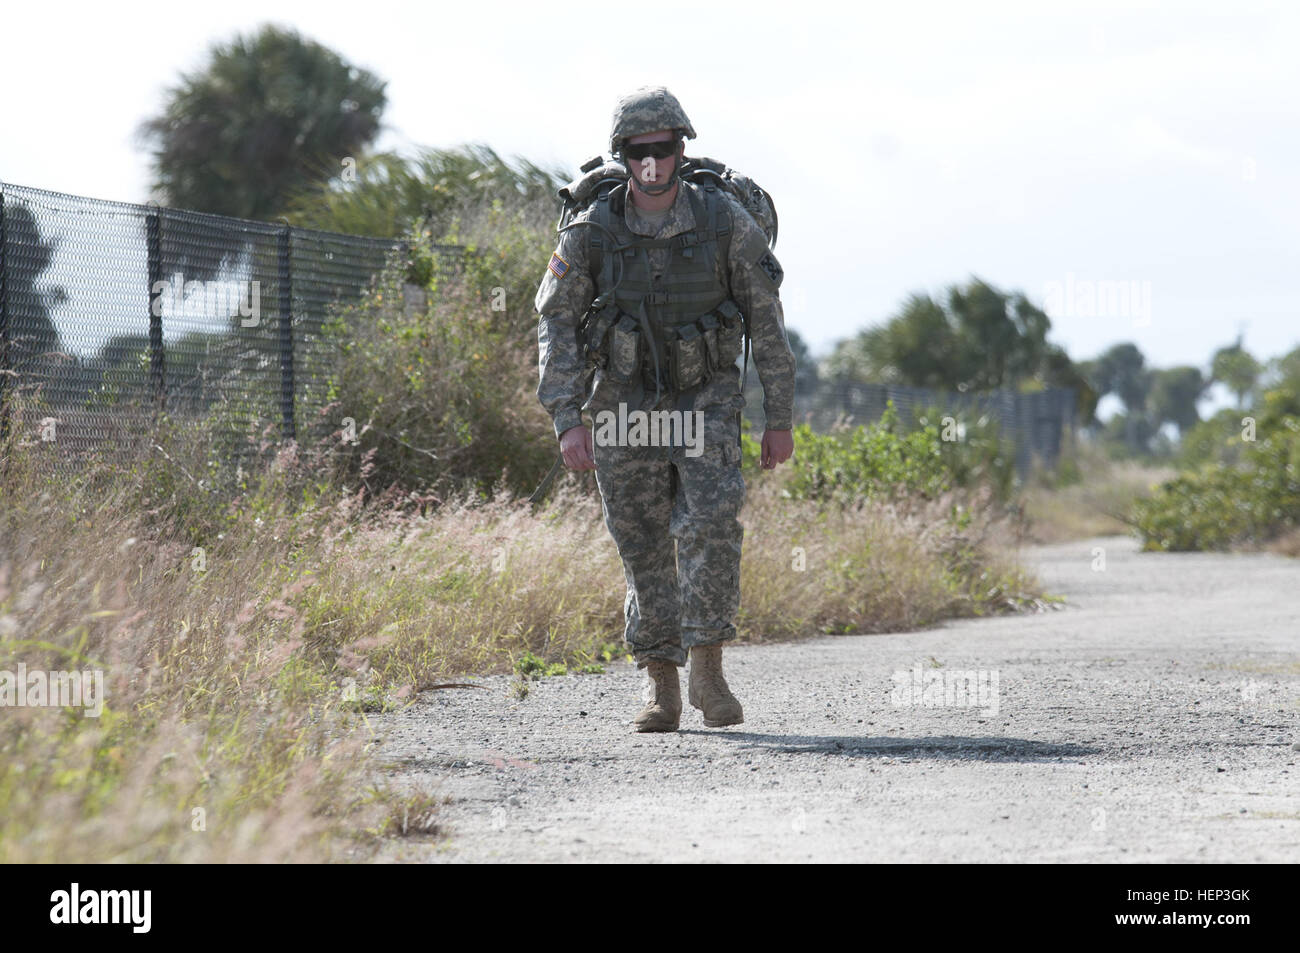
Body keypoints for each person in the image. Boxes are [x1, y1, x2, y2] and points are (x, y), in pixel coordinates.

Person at [534, 86, 795, 732]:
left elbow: (767, 319)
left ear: (682, 150)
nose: (653, 163)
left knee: (711, 522)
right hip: (626, 400)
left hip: (705, 395)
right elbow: (556, 321)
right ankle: (662, 685)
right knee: (643, 539)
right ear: (623, 156)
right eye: (640, 152)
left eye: (665, 149)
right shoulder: (592, 230)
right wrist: (566, 417)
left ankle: (708, 672)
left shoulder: (723, 221)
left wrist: (779, 416)